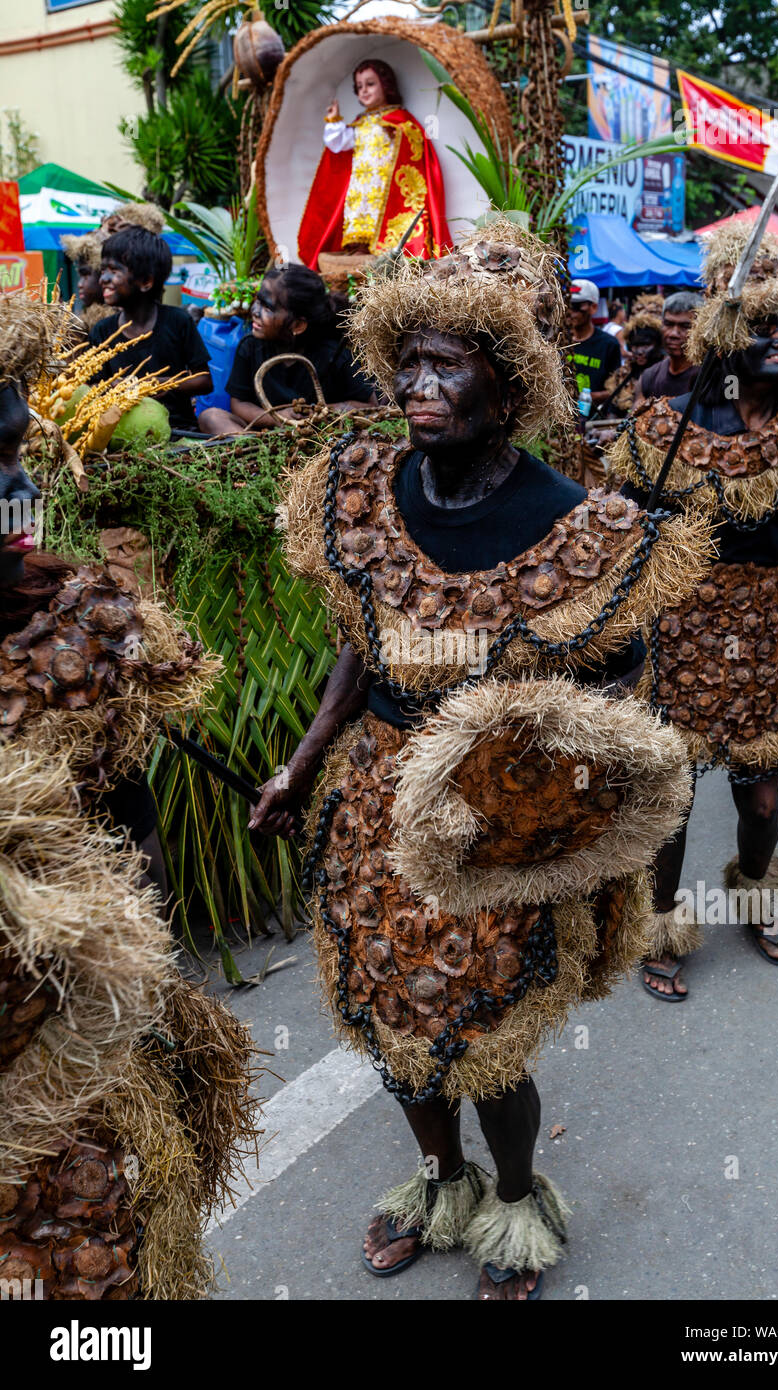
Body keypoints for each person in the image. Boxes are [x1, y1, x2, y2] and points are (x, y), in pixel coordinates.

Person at [249, 222, 710, 1298]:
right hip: (374, 801)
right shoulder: (361, 490)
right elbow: (356, 647)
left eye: (444, 366)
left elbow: (617, 701)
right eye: (406, 363)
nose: (416, 385)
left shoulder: (574, 526)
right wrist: (303, 764)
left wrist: (548, 797)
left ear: (504, 388)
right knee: (388, 1016)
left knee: (485, 1031)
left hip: (497, 819)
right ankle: (434, 1175)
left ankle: (510, 1198)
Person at [0, 291, 256, 1299]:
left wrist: (136, 980)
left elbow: (126, 824)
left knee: (97, 1280)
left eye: (15, 447)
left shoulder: (81, 622)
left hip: (67, 1061)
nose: (18, 484)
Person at [608, 228, 778, 1002]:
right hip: (684, 622)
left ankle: (754, 895)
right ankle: (658, 923)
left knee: (758, 798)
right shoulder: (673, 426)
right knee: (677, 796)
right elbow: (622, 522)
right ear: (728, 342)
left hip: (770, 628)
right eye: (764, 328)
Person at [298, 57, 450, 270]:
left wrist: (399, 134)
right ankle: (360, 251)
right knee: (361, 219)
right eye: (359, 86)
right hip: (361, 187)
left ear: (385, 85)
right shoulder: (361, 122)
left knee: (384, 219)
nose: (364, 91)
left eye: (370, 84)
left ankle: (391, 252)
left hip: (387, 188)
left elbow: (415, 146)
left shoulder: (399, 119)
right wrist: (334, 120)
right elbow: (338, 144)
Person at [198, 264, 376, 437]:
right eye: (257, 301)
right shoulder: (249, 347)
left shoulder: (332, 354)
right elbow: (238, 403)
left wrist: (325, 412)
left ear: (298, 325)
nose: (255, 311)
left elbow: (370, 406)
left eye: (267, 307)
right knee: (211, 416)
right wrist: (277, 418)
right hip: (266, 435)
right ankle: (256, 453)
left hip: (319, 438)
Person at [90, 226, 212, 432]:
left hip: (178, 429)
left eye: (114, 270)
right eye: (103, 271)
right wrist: (113, 386)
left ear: (146, 281)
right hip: (120, 433)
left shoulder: (178, 321)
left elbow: (204, 381)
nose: (103, 279)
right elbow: (91, 389)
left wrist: (161, 384)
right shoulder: (102, 332)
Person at [633, 291, 702, 406]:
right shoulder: (649, 377)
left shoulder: (711, 377)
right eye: (668, 324)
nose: (673, 334)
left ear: (700, 329)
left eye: (685, 326)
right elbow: (634, 418)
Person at [565, 278, 621, 405]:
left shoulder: (609, 345)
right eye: (568, 305)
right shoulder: (559, 339)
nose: (571, 313)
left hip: (592, 419)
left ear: (593, 307)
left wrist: (586, 397)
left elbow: (616, 389)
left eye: (577, 307)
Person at [600, 308, 664, 416]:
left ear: (657, 345)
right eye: (636, 346)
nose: (639, 352)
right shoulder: (625, 374)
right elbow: (613, 411)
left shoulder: (665, 372)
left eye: (645, 345)